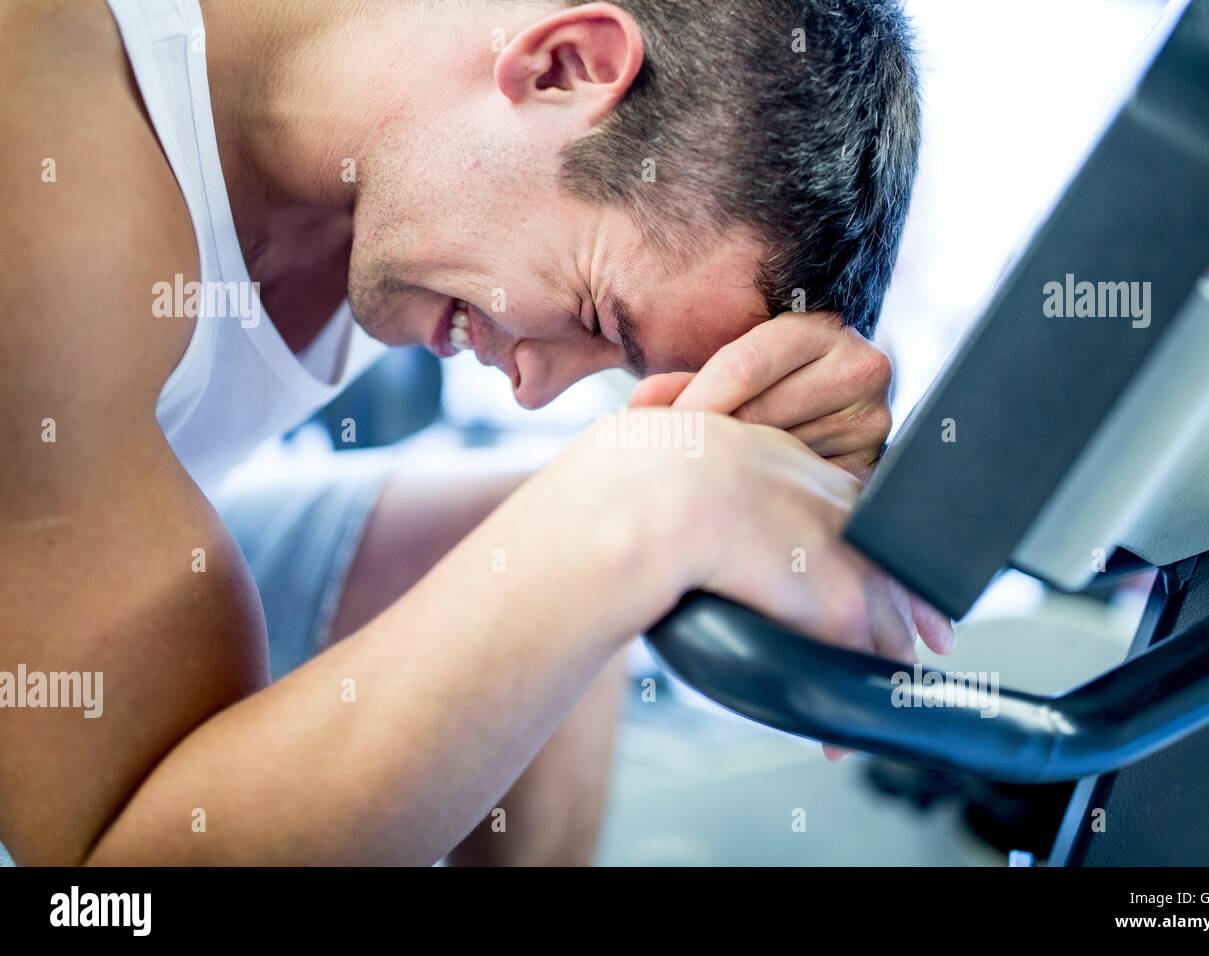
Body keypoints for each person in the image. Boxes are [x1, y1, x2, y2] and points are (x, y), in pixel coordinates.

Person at [0, 0, 951, 866]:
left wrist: (771, 452)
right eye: (594, 313)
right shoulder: (47, 162)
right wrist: (640, 510)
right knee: (598, 535)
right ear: (563, 66)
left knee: (570, 558)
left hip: (85, 542)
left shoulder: (403, 135)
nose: (535, 389)